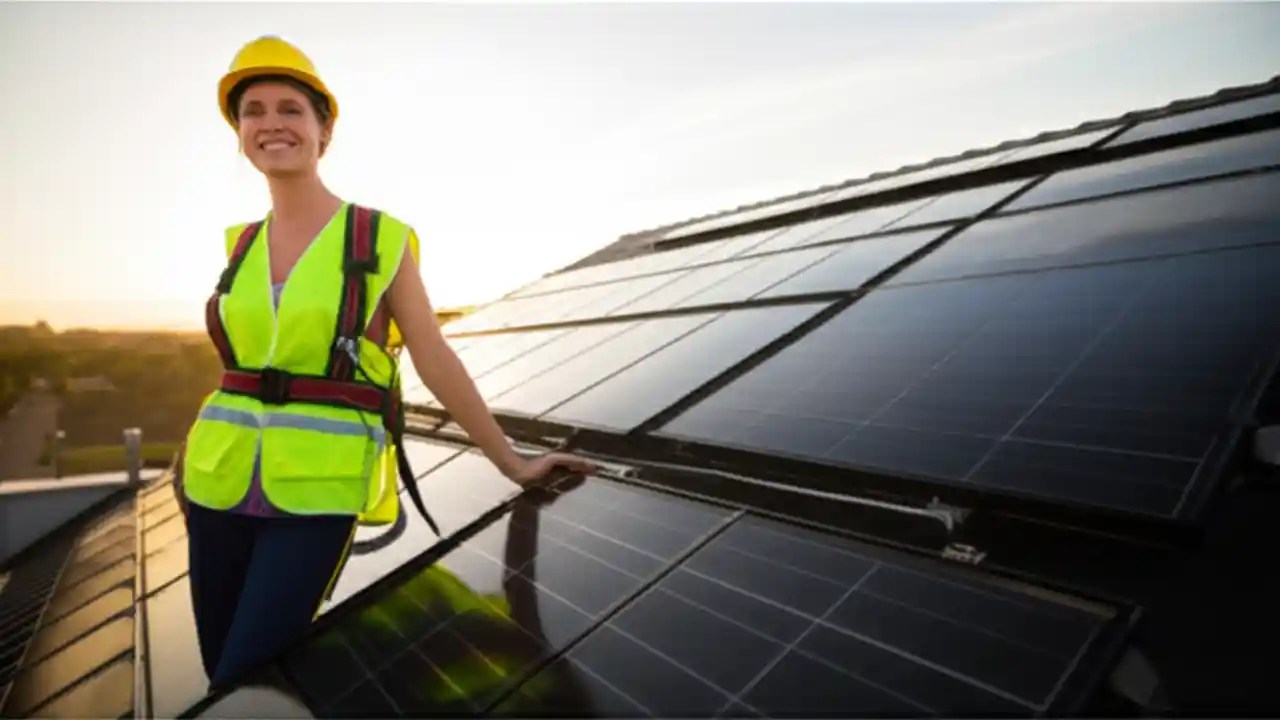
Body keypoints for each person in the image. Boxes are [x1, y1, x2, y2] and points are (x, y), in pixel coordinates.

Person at [174, 35, 595, 692]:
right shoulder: (241, 244)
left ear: (323, 130)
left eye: (290, 108)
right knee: (218, 684)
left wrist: (512, 462)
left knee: (242, 678)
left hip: (316, 496)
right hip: (215, 484)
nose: (271, 123)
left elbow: (433, 355)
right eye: (252, 111)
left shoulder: (379, 239)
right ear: (239, 133)